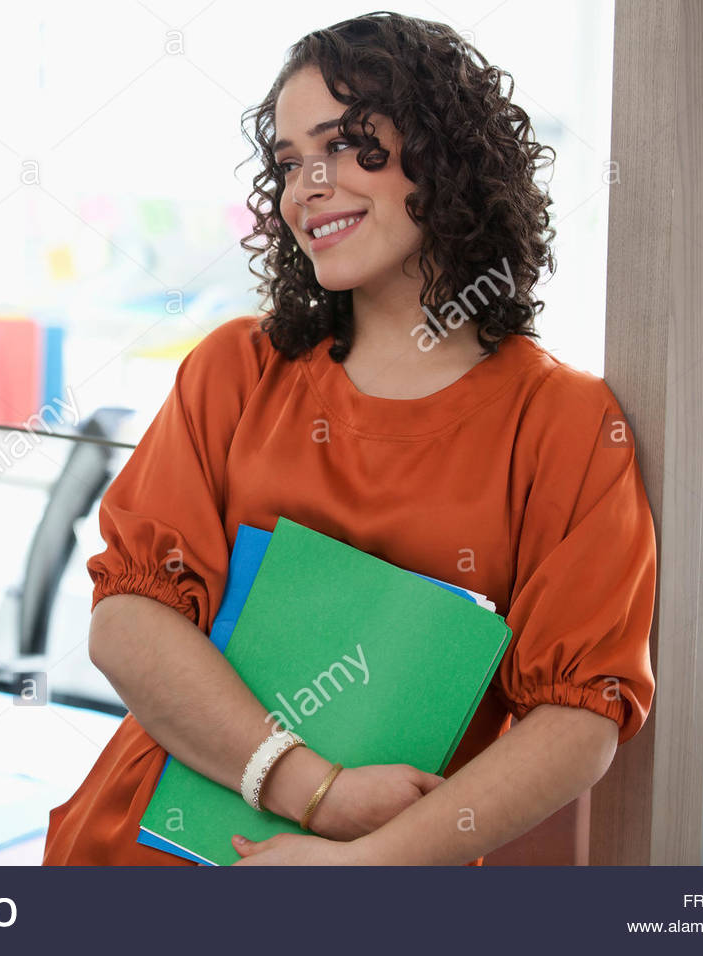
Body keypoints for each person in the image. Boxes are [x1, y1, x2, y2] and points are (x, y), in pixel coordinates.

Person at [42, 10, 656, 867]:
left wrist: (367, 865)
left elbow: (579, 716)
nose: (305, 186)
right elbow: (127, 622)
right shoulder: (236, 369)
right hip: (140, 848)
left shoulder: (568, 426)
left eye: (341, 143)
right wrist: (311, 789)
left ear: (445, 154)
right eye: (290, 163)